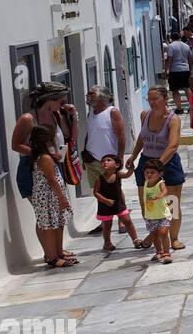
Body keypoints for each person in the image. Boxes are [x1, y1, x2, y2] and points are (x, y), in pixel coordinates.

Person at [10, 82, 78, 261]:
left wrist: (72, 117)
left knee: (57, 213)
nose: (63, 103)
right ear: (49, 100)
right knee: (44, 215)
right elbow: (16, 145)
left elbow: (71, 138)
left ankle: (58, 251)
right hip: (33, 170)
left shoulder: (57, 115)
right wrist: (42, 153)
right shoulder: (28, 119)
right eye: (60, 100)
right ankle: (50, 255)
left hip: (55, 166)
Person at [126, 86, 186, 251]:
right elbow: (142, 137)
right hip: (146, 162)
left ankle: (173, 238)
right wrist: (133, 155)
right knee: (147, 204)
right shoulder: (145, 115)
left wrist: (158, 166)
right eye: (149, 99)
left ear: (165, 98)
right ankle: (154, 235)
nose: (152, 103)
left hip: (167, 163)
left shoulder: (173, 119)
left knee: (172, 203)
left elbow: (173, 145)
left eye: (155, 99)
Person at [27, 124, 74, 269]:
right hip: (48, 197)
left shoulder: (46, 156)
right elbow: (52, 180)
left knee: (58, 223)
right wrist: (62, 198)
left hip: (51, 196)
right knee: (48, 226)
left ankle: (58, 252)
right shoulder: (44, 158)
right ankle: (52, 257)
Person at [81, 86, 125, 200]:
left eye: (91, 94)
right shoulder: (90, 113)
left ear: (102, 97)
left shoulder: (112, 112)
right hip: (92, 160)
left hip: (108, 161)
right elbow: (89, 134)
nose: (88, 96)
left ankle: (122, 213)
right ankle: (105, 216)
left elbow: (121, 136)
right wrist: (85, 157)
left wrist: (120, 158)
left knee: (115, 190)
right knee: (98, 191)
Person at [91, 154, 140, 252]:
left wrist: (131, 169)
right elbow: (96, 193)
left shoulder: (118, 175)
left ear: (117, 165)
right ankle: (107, 242)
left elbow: (127, 175)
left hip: (118, 204)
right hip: (105, 205)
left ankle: (135, 239)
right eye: (103, 161)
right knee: (107, 225)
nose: (105, 162)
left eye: (109, 160)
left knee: (127, 221)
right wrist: (106, 200)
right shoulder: (99, 178)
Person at [140, 159, 173, 264]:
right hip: (150, 215)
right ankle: (159, 251)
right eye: (147, 172)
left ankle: (167, 253)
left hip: (163, 214)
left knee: (163, 232)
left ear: (160, 174)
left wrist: (160, 196)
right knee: (154, 235)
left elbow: (165, 190)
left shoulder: (160, 183)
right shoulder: (145, 183)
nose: (149, 175)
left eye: (152, 172)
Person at [165, 32, 192, 113]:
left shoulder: (171, 46)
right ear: (180, 37)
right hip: (185, 69)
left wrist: (166, 70)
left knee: (175, 90)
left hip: (175, 70)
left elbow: (169, 59)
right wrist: (190, 69)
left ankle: (179, 109)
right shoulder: (186, 46)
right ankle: (192, 106)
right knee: (187, 89)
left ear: (172, 38)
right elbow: (190, 58)